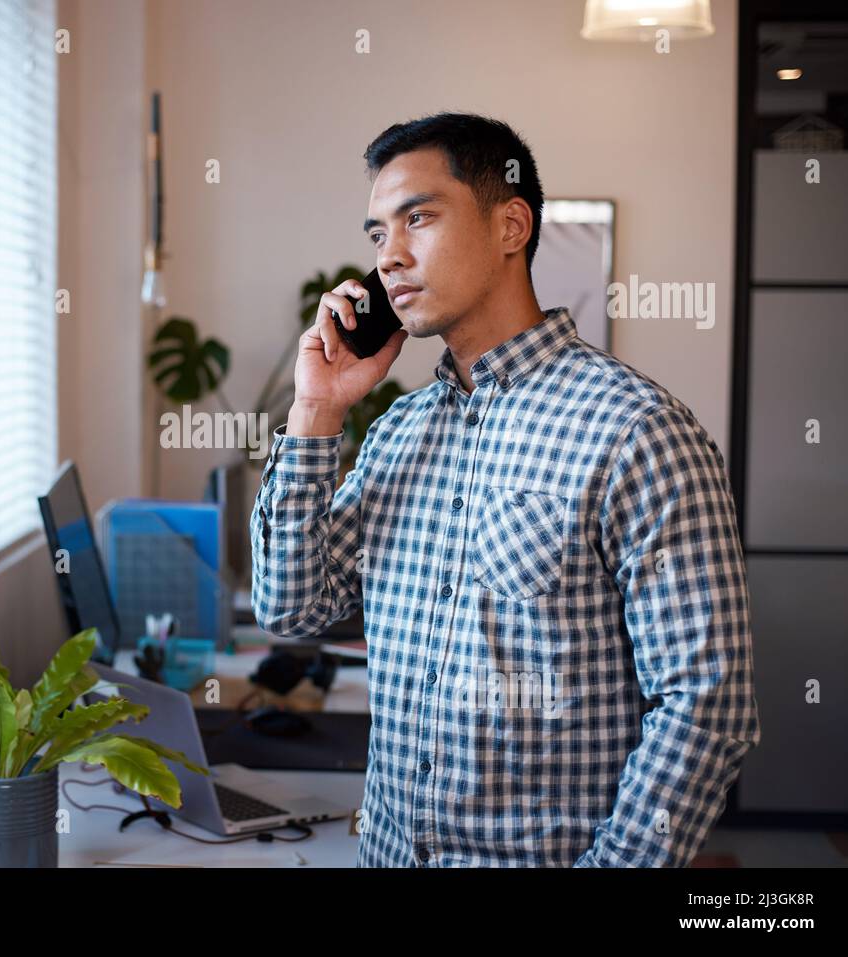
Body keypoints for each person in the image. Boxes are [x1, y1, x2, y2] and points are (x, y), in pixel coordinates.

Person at [251, 112, 760, 867]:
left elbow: (707, 703)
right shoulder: (397, 432)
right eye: (375, 235)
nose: (388, 257)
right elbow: (294, 610)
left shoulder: (636, 430)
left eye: (417, 219)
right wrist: (318, 411)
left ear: (510, 225)